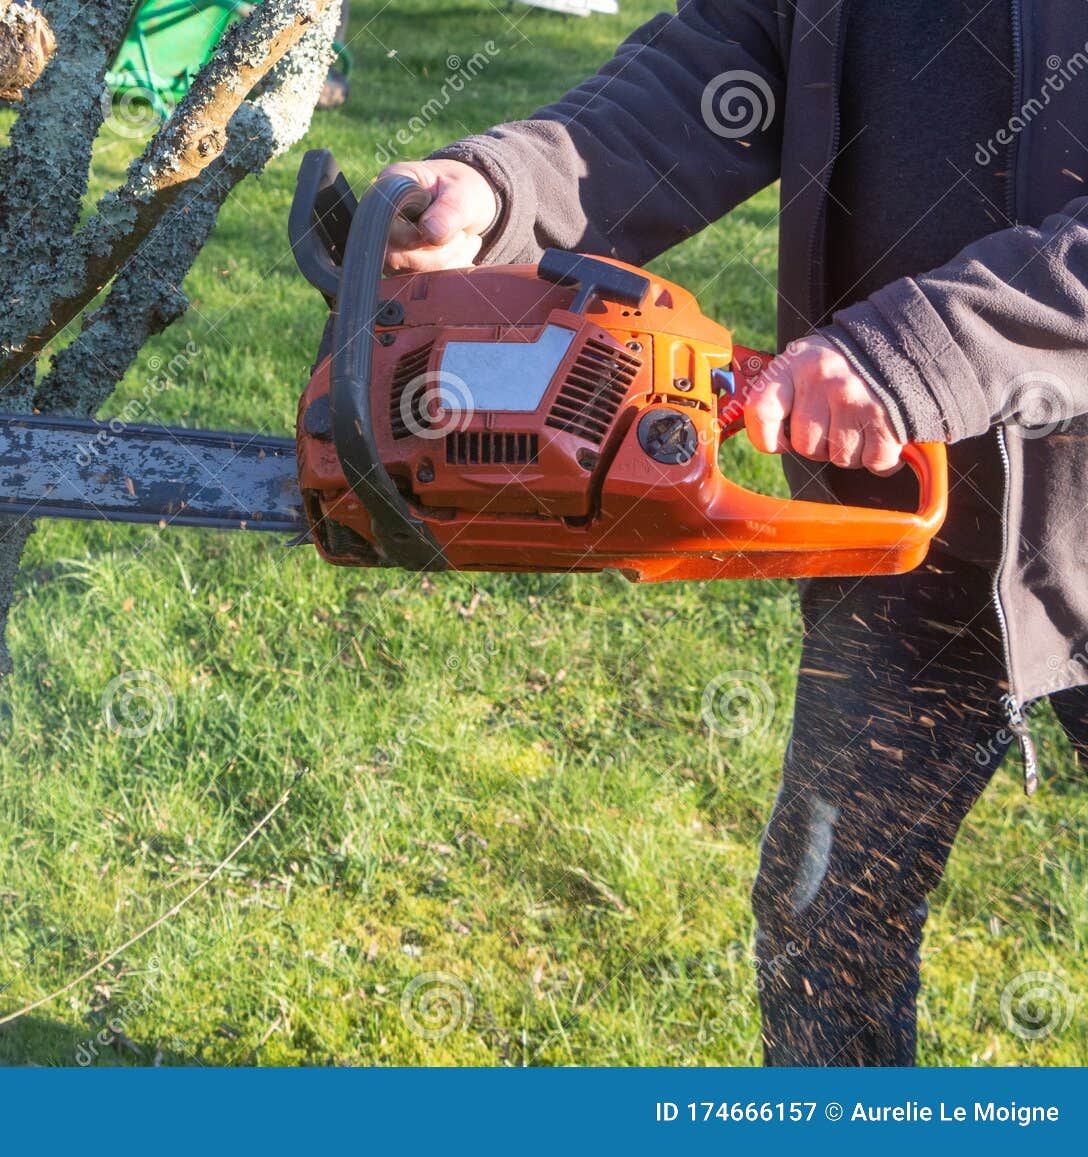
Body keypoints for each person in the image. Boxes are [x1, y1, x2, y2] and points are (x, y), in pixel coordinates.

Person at [380, 1, 1088, 1066]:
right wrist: (501, 189)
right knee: (823, 922)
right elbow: (727, 61)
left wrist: (931, 352)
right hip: (896, 531)